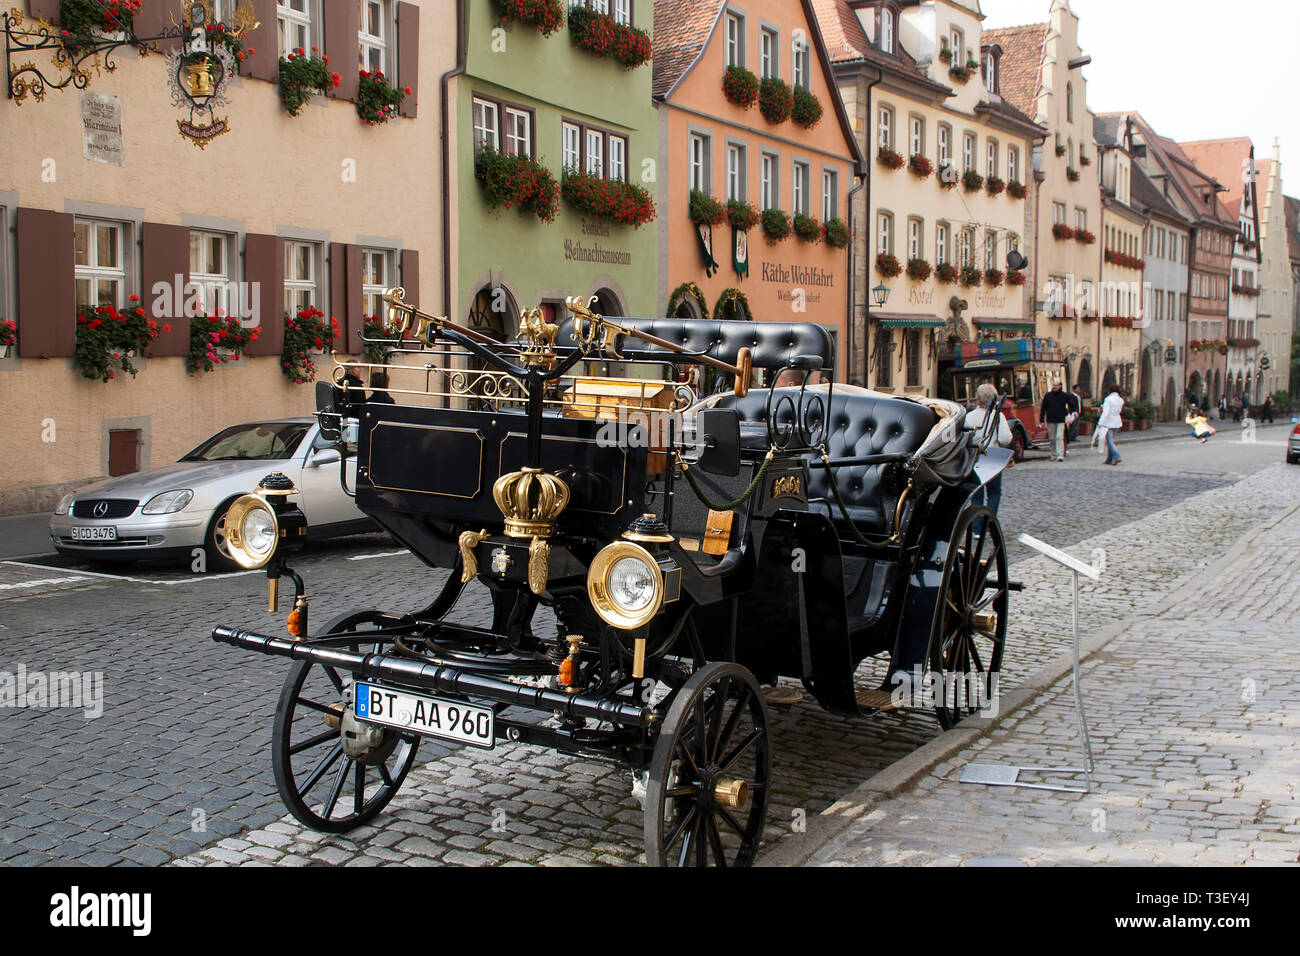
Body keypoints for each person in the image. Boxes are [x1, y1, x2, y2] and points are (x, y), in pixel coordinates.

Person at [965, 384, 1013, 514]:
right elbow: (1005, 438)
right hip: (993, 457)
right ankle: (990, 521)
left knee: (976, 494)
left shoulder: (969, 416)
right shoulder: (997, 416)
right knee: (994, 492)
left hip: (974, 458)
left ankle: (976, 526)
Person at [1040, 379, 1071, 461]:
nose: (1054, 387)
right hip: (1050, 419)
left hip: (1061, 419)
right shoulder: (1048, 396)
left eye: (1056, 385)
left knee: (1059, 437)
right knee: (1052, 438)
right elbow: (1043, 408)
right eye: (1053, 385)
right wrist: (1042, 420)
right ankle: (1053, 454)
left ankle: (1060, 455)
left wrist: (1071, 414)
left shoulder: (1064, 395)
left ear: (1060, 386)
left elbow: (1071, 404)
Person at [1098, 385, 1124, 465]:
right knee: (1110, 440)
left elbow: (1106, 412)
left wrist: (1100, 422)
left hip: (1108, 422)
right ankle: (1109, 459)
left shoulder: (1108, 399)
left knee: (1109, 441)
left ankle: (1117, 457)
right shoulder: (1120, 400)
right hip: (1117, 421)